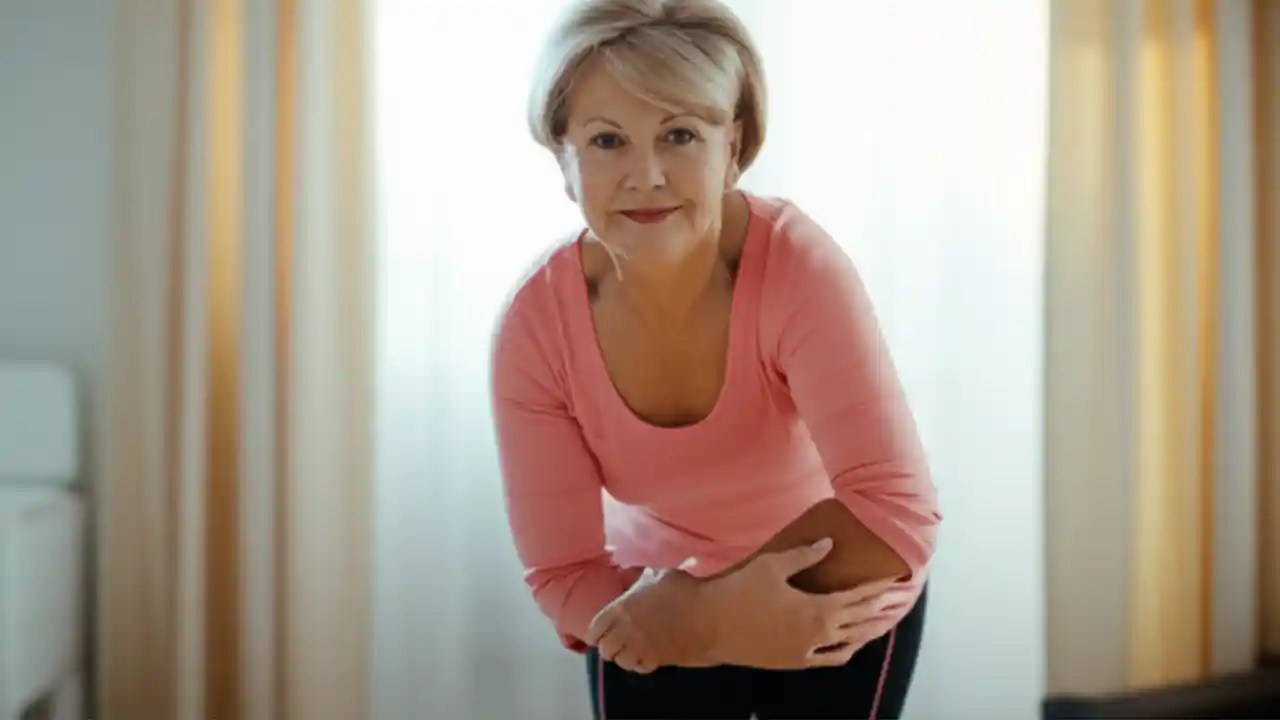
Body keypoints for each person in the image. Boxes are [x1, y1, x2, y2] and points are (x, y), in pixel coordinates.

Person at [490, 1, 941, 717]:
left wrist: (715, 611)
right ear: (563, 162)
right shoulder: (534, 326)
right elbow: (563, 571)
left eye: (678, 134)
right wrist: (698, 621)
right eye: (608, 140)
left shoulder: (798, 267)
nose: (646, 174)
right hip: (655, 609)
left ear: (733, 146)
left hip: (832, 597)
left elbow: (892, 513)